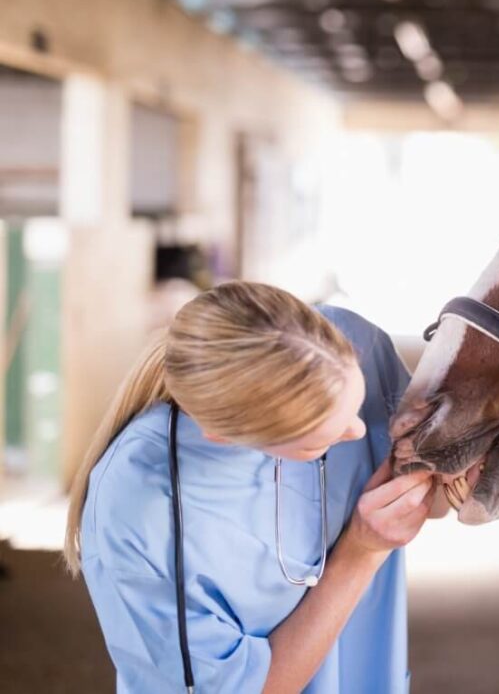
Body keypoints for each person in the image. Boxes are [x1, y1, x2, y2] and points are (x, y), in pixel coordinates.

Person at [63, 281, 432, 693]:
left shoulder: (351, 343)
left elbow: (435, 495)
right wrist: (361, 553)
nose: (360, 431)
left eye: (356, 404)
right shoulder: (140, 505)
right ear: (225, 435)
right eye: (317, 441)